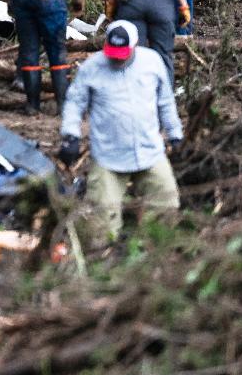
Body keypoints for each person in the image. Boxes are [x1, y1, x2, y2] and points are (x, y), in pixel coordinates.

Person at [57, 20, 182, 243]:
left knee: (166, 204)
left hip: (149, 151)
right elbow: (74, 103)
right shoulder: (92, 68)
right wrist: (70, 136)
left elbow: (165, 102)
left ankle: (156, 256)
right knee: (102, 223)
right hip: (108, 157)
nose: (117, 58)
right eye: (112, 53)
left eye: (123, 53)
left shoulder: (152, 62)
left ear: (135, 45)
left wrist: (175, 135)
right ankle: (106, 262)